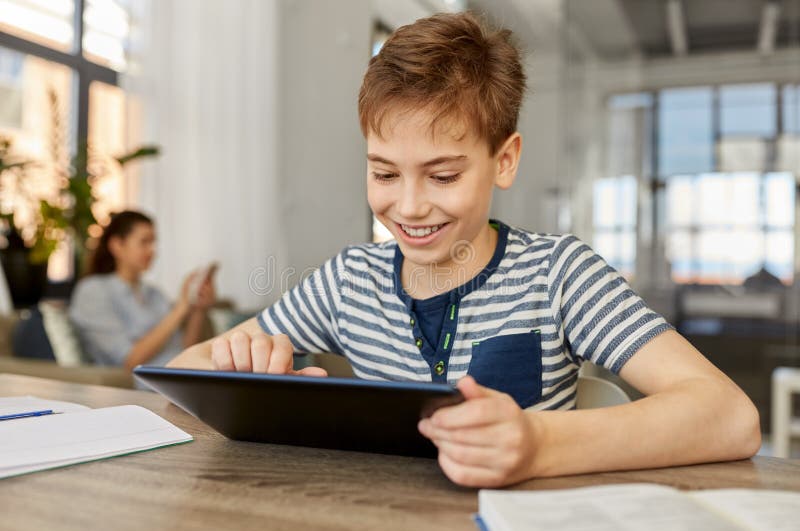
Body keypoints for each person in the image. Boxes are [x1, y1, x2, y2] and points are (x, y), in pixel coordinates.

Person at [167, 12, 760, 487]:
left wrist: (538, 444)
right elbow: (181, 373)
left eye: (443, 176)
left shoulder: (557, 274)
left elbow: (730, 417)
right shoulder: (350, 280)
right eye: (384, 173)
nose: (410, 206)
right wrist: (242, 362)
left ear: (504, 160)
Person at [70, 210, 216, 370]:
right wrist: (181, 308)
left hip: (183, 372)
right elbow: (129, 360)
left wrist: (198, 309)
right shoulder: (93, 291)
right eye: (144, 242)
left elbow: (184, 350)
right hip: (151, 383)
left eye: (153, 242)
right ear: (117, 245)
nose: (152, 250)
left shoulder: (154, 294)